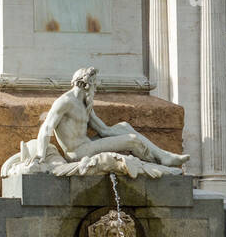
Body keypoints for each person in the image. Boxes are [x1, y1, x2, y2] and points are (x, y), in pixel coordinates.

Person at [35, 67, 189, 167]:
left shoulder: (85, 103)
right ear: (87, 84)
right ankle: (160, 163)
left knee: (123, 126)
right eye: (95, 84)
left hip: (87, 146)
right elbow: (47, 127)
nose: (97, 87)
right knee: (131, 140)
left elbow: (104, 130)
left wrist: (121, 132)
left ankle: (163, 156)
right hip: (77, 153)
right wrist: (40, 156)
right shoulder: (65, 102)